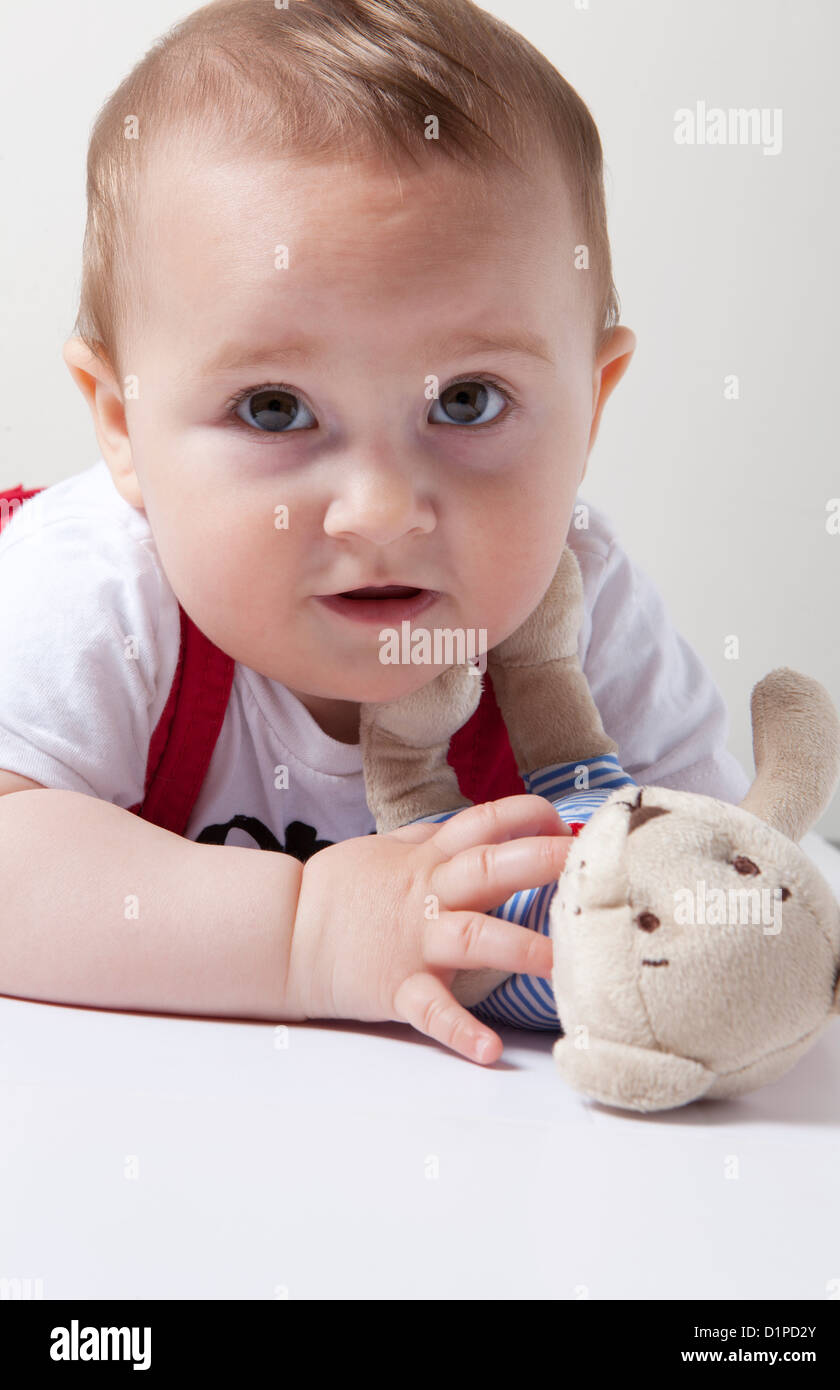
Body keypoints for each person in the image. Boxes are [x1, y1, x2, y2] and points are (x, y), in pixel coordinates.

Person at [0, 0, 748, 1066]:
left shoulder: (578, 602)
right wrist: (305, 932)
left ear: (591, 405)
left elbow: (713, 856)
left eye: (467, 403)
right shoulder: (100, 591)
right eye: (274, 408)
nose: (383, 510)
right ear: (123, 424)